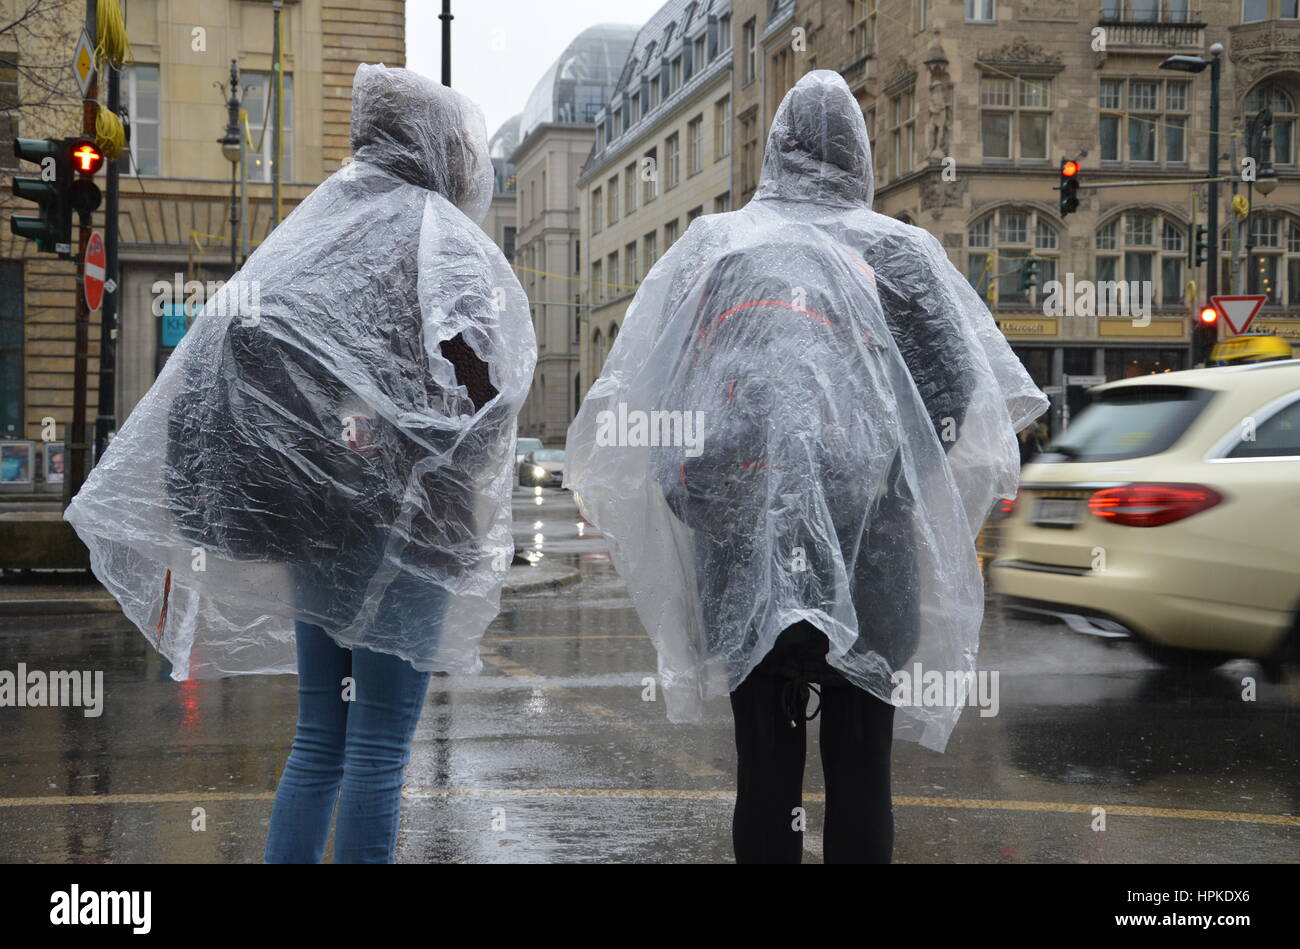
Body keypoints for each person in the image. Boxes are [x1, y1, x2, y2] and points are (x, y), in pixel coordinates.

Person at [566, 70, 1046, 864]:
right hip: (872, 560)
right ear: (857, 156)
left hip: (744, 556)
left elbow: (654, 404)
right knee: (862, 770)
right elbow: (956, 408)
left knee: (764, 772)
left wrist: (720, 509)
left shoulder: (711, 251)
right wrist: (886, 497)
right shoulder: (902, 255)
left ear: (775, 150)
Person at [66, 64, 536, 863]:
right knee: (380, 749)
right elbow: (482, 391)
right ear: (438, 148)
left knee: (321, 734)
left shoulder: (314, 230)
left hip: (314, 524)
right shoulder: (439, 243)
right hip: (411, 529)